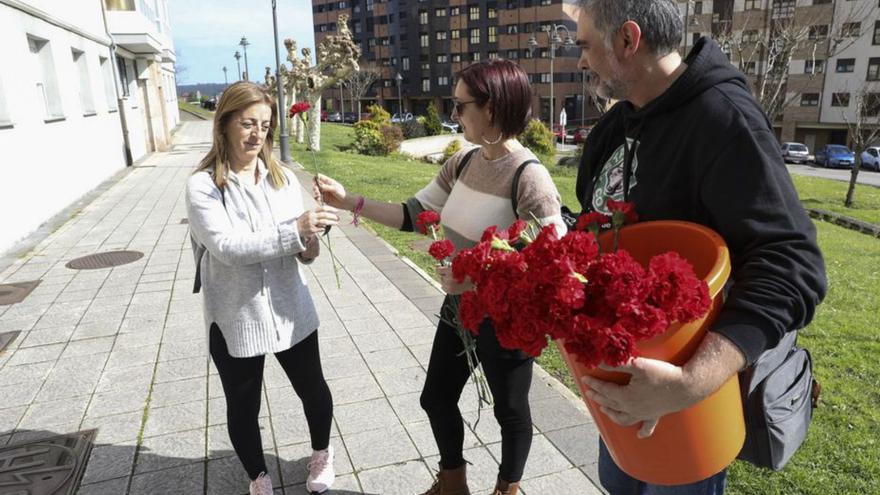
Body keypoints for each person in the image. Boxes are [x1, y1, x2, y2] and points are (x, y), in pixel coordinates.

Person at [572, 1, 828, 493]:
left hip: (689, 407)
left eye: (585, 45)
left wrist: (689, 383)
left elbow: (793, 264)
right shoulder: (615, 126)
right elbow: (595, 225)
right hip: (622, 395)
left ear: (628, 40)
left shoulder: (723, 120)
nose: (581, 60)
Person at [316, 59, 566, 495]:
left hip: (505, 320)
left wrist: (478, 274)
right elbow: (412, 214)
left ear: (491, 108)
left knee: (509, 410)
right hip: (460, 309)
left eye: (460, 105)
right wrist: (346, 200)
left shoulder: (531, 179)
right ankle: (453, 484)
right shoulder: (465, 162)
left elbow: (554, 265)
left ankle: (507, 490)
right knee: (435, 398)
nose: (454, 115)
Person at [185, 81, 340, 495]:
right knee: (243, 404)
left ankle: (322, 454)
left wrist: (312, 236)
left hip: (291, 306)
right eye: (248, 123)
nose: (257, 134)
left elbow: (303, 254)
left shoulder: (282, 178)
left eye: (266, 125)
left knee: (313, 389)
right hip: (235, 314)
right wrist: (295, 230)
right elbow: (227, 247)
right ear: (225, 124)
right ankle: (258, 474)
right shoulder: (203, 185)